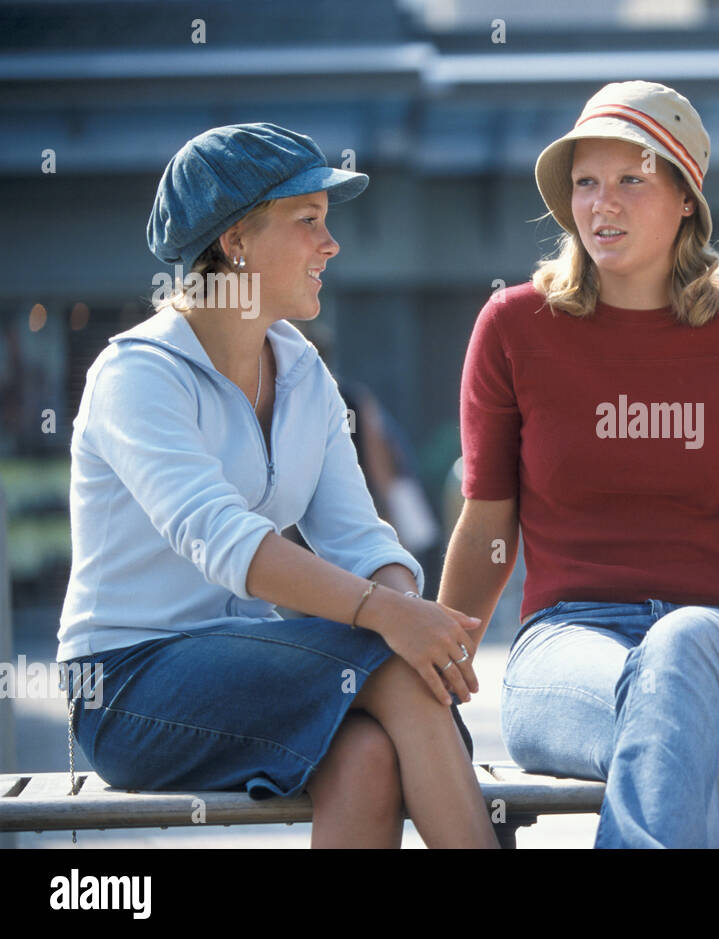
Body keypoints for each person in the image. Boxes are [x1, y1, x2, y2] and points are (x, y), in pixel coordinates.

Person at [57, 123, 497, 849]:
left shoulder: (302, 374)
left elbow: (362, 541)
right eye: (308, 222)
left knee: (369, 756)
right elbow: (231, 545)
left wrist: (407, 611)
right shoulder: (136, 377)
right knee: (389, 666)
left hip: (252, 667)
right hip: (124, 687)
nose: (331, 244)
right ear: (235, 240)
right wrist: (389, 619)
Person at [439, 81, 719, 848]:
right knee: (667, 714)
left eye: (632, 179)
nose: (602, 204)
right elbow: (488, 520)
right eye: (585, 183)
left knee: (682, 645)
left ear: (687, 198)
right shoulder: (514, 325)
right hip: (565, 651)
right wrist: (435, 682)